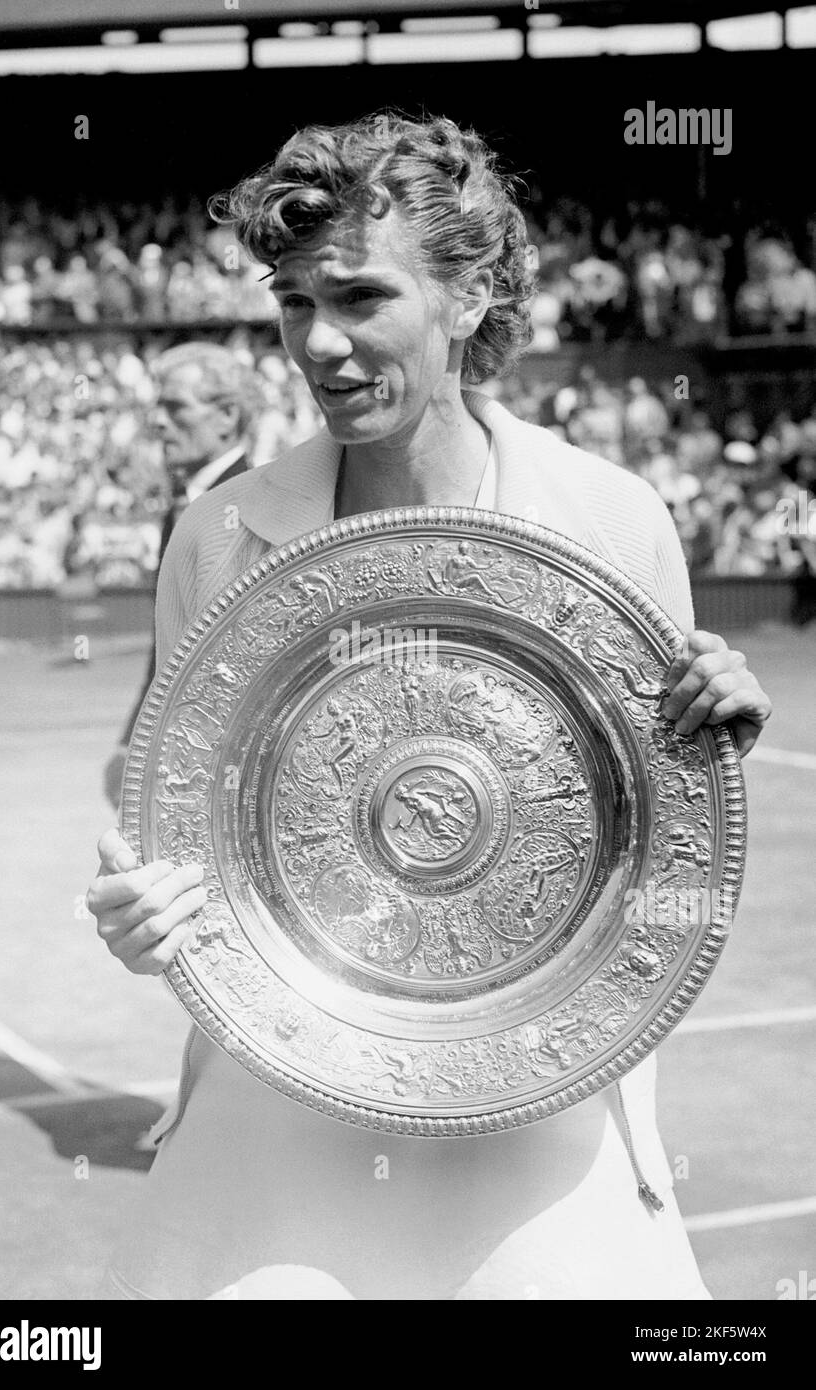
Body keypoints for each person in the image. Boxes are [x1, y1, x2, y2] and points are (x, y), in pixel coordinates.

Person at [86, 114, 772, 1300]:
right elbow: (175, 812)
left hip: (535, 1112)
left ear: (472, 296)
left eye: (358, 296)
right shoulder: (218, 534)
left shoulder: (612, 522)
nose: (320, 342)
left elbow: (661, 866)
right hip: (280, 1093)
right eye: (293, 300)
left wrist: (711, 747)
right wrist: (146, 911)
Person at [102, 343, 253, 808]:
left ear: (227, 415)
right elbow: (168, 646)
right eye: (157, 407)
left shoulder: (243, 505)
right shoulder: (190, 501)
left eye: (174, 407)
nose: (158, 422)